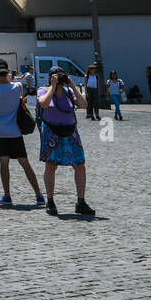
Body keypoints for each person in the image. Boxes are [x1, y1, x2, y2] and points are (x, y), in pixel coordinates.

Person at [0, 59, 43, 209]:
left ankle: (7, 195)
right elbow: (14, 86)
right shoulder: (17, 87)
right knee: (25, 164)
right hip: (15, 132)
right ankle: (39, 195)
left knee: (4, 164)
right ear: (7, 72)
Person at [37, 67, 93, 216]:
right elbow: (44, 103)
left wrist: (72, 85)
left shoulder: (69, 92)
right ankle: (50, 201)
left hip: (70, 132)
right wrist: (53, 87)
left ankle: (81, 202)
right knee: (51, 165)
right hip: (51, 132)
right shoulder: (43, 90)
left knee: (80, 165)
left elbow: (84, 105)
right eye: (56, 76)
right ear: (50, 78)